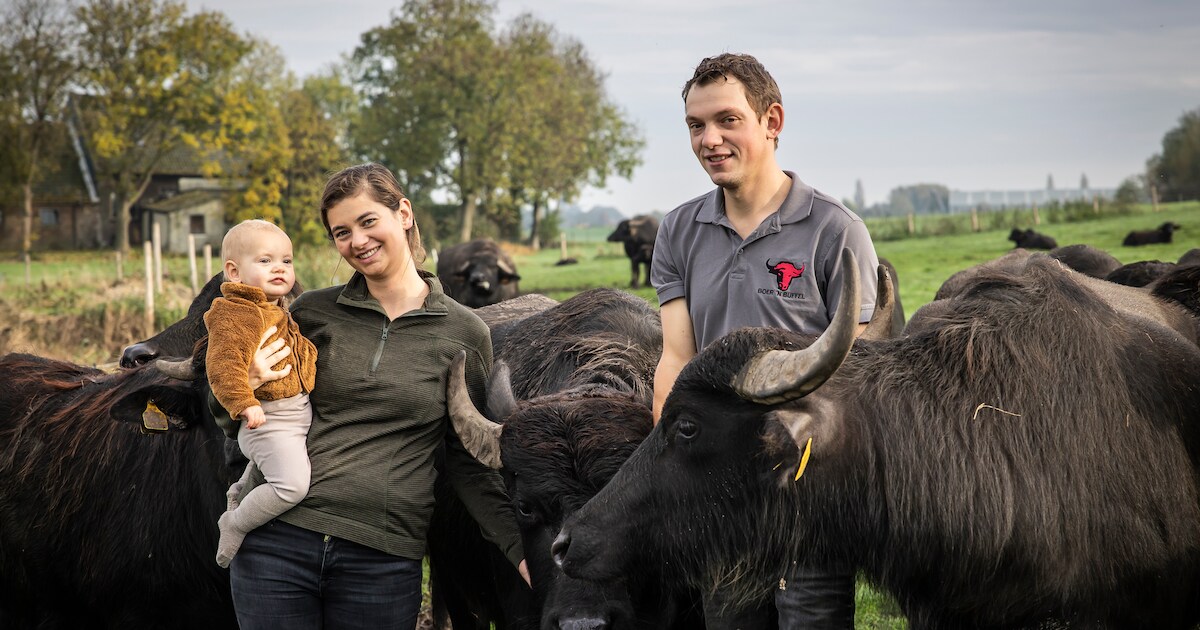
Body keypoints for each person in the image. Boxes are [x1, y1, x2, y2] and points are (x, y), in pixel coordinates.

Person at [210, 163, 527, 630]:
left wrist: (521, 552)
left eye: (367, 221)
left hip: (381, 559)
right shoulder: (311, 312)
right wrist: (249, 382)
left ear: (403, 212)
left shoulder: (465, 332)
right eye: (341, 232)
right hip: (277, 544)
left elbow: (468, 462)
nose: (356, 241)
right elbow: (233, 414)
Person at [651, 53, 880, 630]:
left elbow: (851, 375)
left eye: (727, 120)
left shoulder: (836, 230)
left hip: (809, 491)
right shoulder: (678, 230)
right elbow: (676, 359)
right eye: (696, 126)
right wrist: (673, 467)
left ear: (772, 121)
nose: (710, 140)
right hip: (719, 490)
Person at [206, 219, 318, 569]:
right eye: (266, 261)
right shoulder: (235, 314)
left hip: (292, 415)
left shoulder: (274, 308)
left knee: (274, 465)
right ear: (234, 273)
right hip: (269, 418)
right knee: (292, 487)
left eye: (286, 261)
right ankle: (234, 523)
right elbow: (223, 367)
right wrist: (245, 403)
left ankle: (240, 491)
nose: (280, 269)